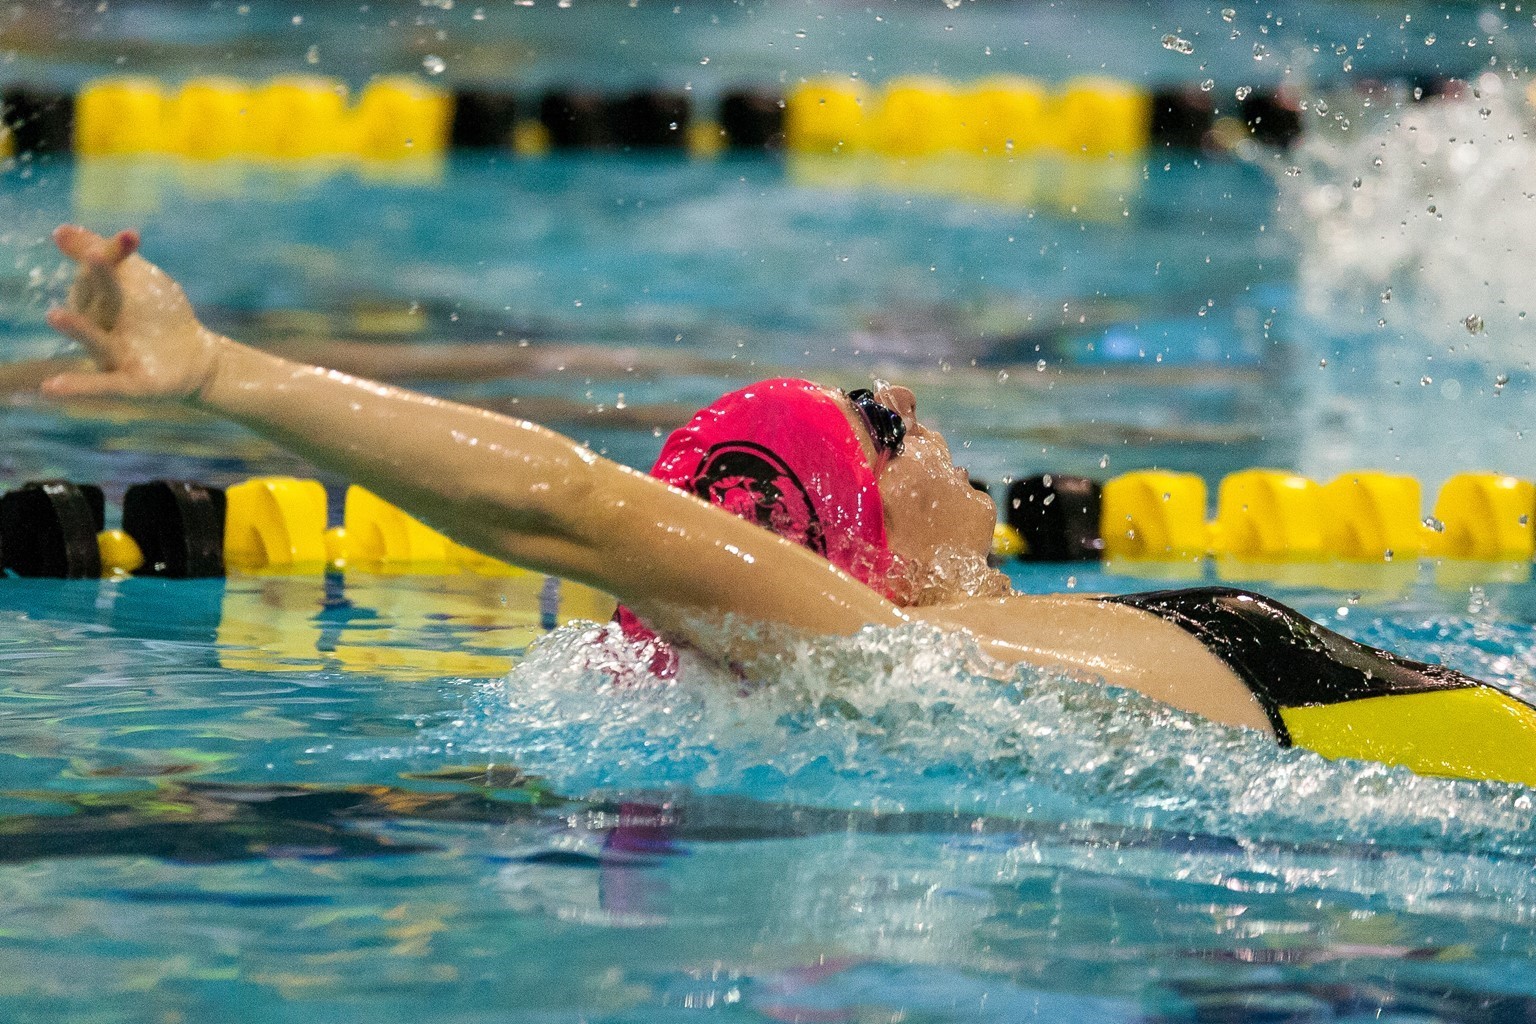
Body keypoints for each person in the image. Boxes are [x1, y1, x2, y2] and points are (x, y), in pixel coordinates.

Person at [37, 225, 1536, 786]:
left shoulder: (1004, 679)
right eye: (876, 424)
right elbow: (573, 508)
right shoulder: (932, 669)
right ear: (846, 554)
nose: (921, 413)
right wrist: (220, 368)